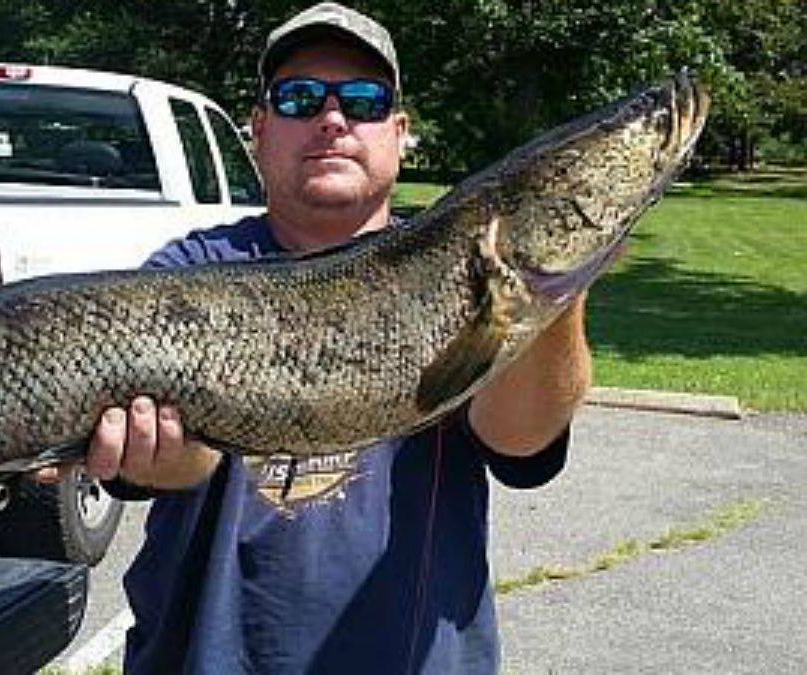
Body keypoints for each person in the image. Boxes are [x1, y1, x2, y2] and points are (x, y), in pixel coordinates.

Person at [38, 3, 591, 672]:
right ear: (260, 129)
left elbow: (518, 444)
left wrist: (555, 280)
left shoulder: (462, 268)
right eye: (300, 98)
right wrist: (163, 453)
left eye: (363, 100)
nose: (332, 118)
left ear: (399, 132)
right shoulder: (189, 275)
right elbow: (178, 467)